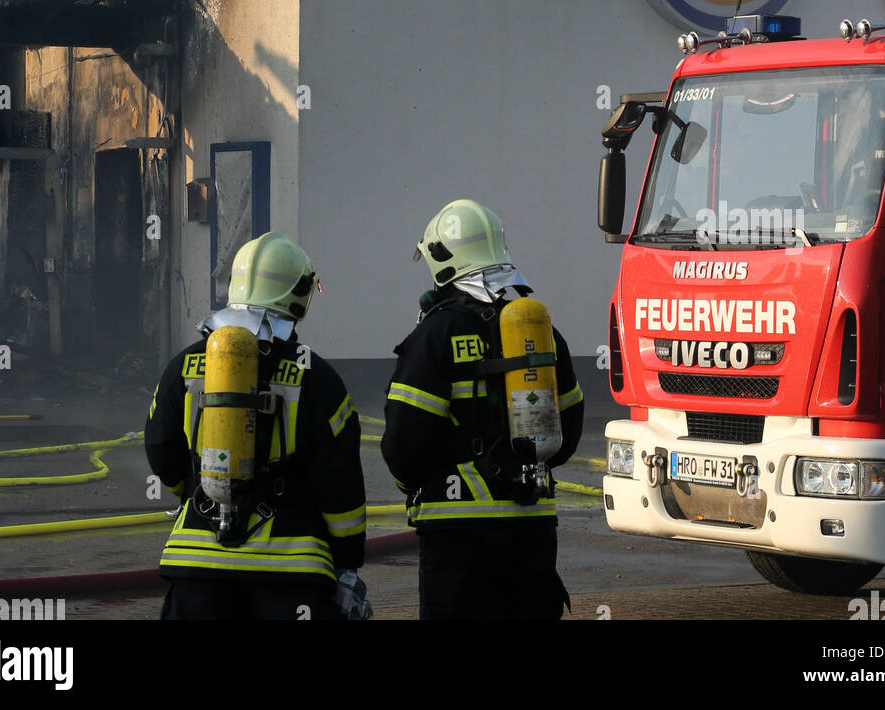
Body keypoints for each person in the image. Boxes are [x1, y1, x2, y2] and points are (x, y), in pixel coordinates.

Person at [144, 232, 368, 620]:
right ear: (298, 295)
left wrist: (202, 488)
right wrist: (347, 558)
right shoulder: (318, 377)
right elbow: (340, 480)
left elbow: (161, 447)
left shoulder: (185, 365)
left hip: (198, 563)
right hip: (290, 570)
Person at [381, 198, 584, 621]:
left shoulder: (435, 334)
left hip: (457, 535)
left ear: (442, 258)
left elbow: (405, 441)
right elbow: (568, 431)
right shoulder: (539, 328)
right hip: (533, 528)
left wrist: (412, 482)